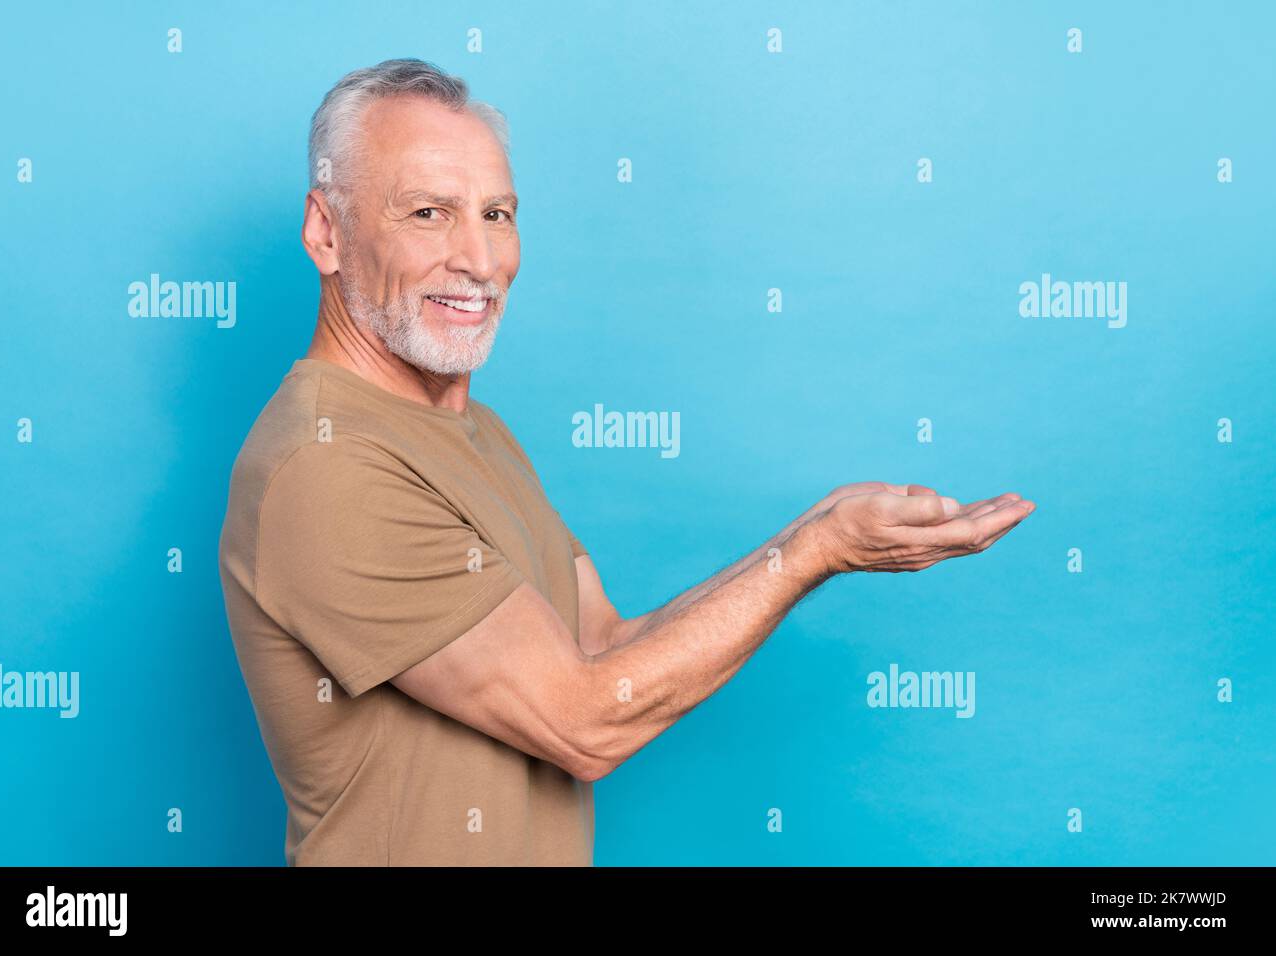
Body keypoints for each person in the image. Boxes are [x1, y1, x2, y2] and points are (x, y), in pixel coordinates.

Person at [218, 58, 1035, 866]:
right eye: (429, 212)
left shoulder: (475, 429)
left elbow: (602, 645)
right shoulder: (325, 465)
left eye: (497, 213)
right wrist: (820, 553)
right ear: (326, 231)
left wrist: (818, 533)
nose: (479, 257)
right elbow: (584, 719)